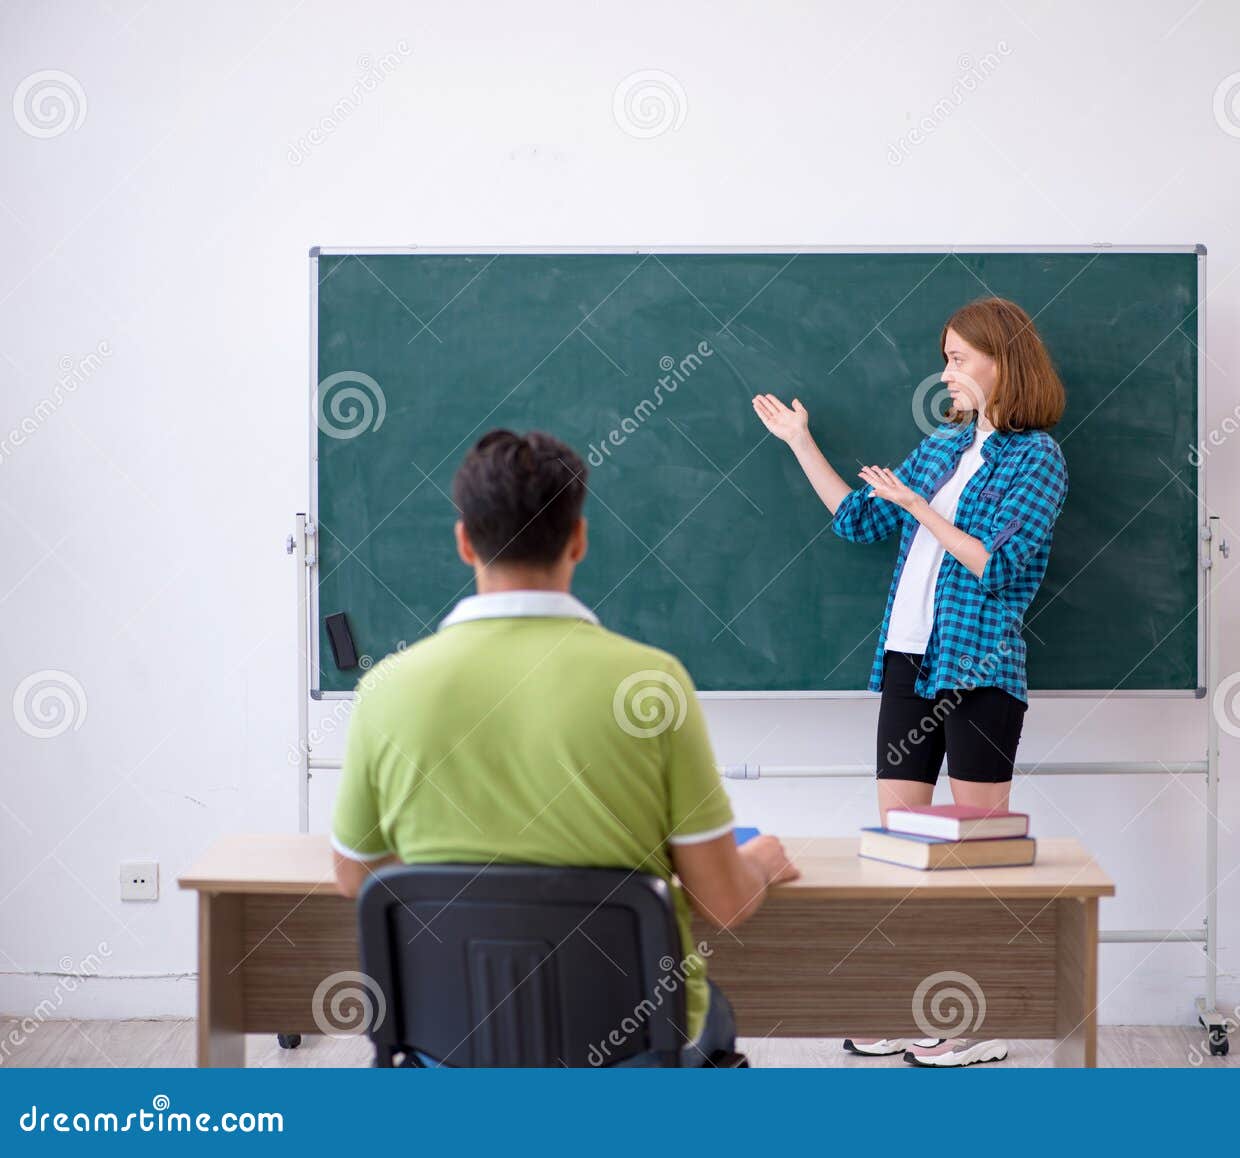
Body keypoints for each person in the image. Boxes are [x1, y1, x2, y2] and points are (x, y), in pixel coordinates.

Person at [329, 428, 798, 1066]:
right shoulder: (650, 684)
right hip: (629, 1054)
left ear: (465, 541)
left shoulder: (385, 689)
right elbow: (725, 901)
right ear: (579, 539)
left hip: (451, 1051)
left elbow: (357, 876)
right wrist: (762, 862)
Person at [751, 296, 1067, 1067]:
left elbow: (1000, 565)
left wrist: (921, 508)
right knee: (900, 847)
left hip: (980, 668)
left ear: (1004, 363)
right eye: (947, 355)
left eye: (959, 357)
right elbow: (859, 519)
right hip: (909, 660)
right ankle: (909, 1004)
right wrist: (801, 442)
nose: (946, 370)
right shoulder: (943, 445)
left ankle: (977, 1014)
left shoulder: (1039, 459)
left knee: (972, 852)